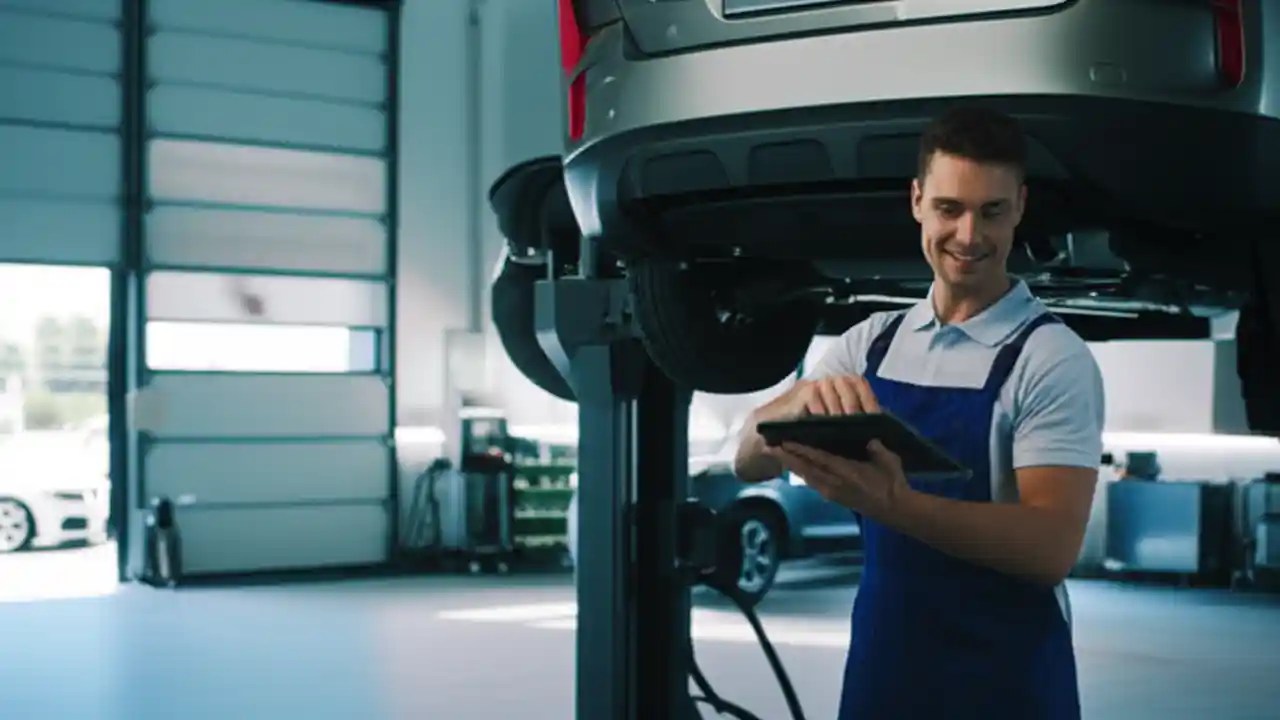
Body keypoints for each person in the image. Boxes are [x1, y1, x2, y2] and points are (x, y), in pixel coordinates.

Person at [733, 106, 1105, 719]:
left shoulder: (1049, 357)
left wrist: (894, 505)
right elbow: (747, 460)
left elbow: (1050, 547)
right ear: (916, 201)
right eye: (949, 208)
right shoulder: (870, 344)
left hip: (1004, 685)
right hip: (886, 671)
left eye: (991, 211)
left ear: (1019, 207)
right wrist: (791, 405)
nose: (968, 236)